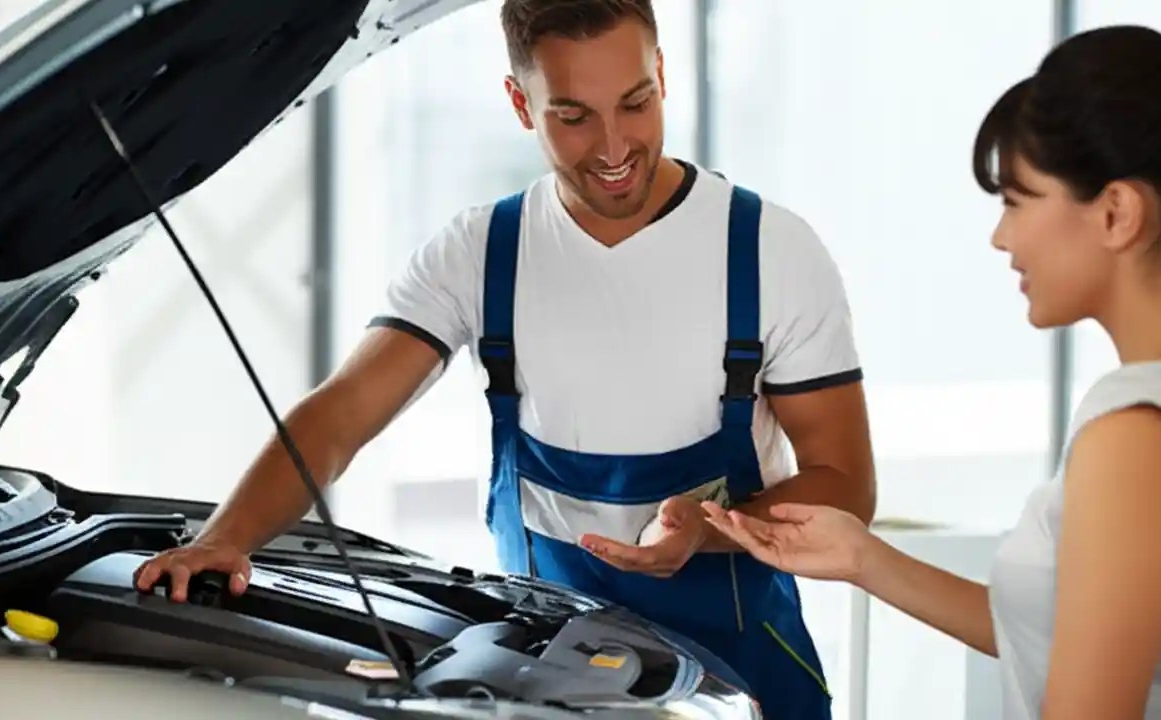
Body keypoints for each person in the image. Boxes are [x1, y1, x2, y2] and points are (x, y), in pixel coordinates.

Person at [134, 1, 876, 715]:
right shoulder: (481, 253)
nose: (615, 147)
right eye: (573, 116)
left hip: (746, 680)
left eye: (636, 101)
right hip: (545, 680)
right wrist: (223, 540)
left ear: (663, 75)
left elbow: (846, 485)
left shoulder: (769, 250)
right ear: (521, 103)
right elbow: (340, 415)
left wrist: (708, 527)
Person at [703, 24, 1161, 720]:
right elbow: (1068, 637)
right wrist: (864, 558)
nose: (1002, 237)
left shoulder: (1142, 431)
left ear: (1117, 212)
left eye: (1016, 201)